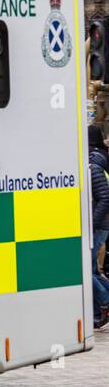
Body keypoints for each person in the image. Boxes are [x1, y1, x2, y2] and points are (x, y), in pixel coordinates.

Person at [90, 126, 109, 328]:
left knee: (88, 271)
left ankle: (105, 301)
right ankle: (98, 312)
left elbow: (104, 197)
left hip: (98, 225)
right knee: (93, 270)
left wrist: (93, 222)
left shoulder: (93, 165)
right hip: (99, 224)